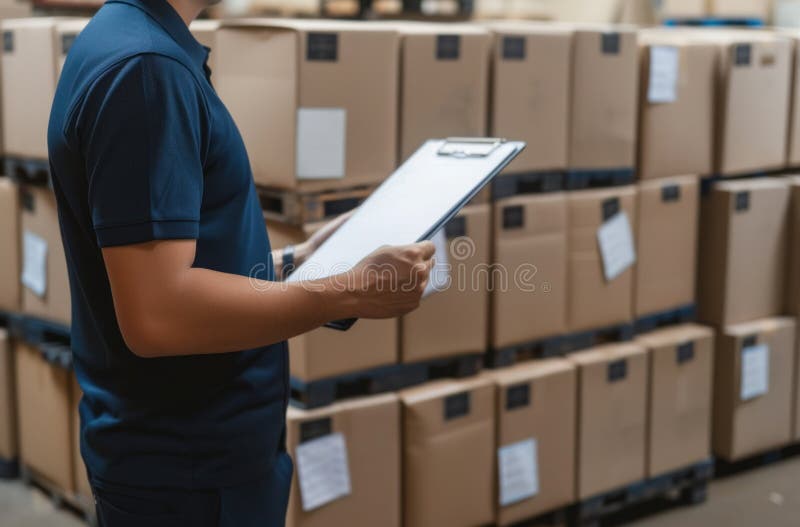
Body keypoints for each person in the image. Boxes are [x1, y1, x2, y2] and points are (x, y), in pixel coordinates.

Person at [47, 0, 435, 525]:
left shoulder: (133, 42)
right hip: (189, 472)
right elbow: (158, 315)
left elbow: (182, 263)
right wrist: (346, 291)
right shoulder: (147, 70)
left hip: (194, 459)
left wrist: (300, 261)